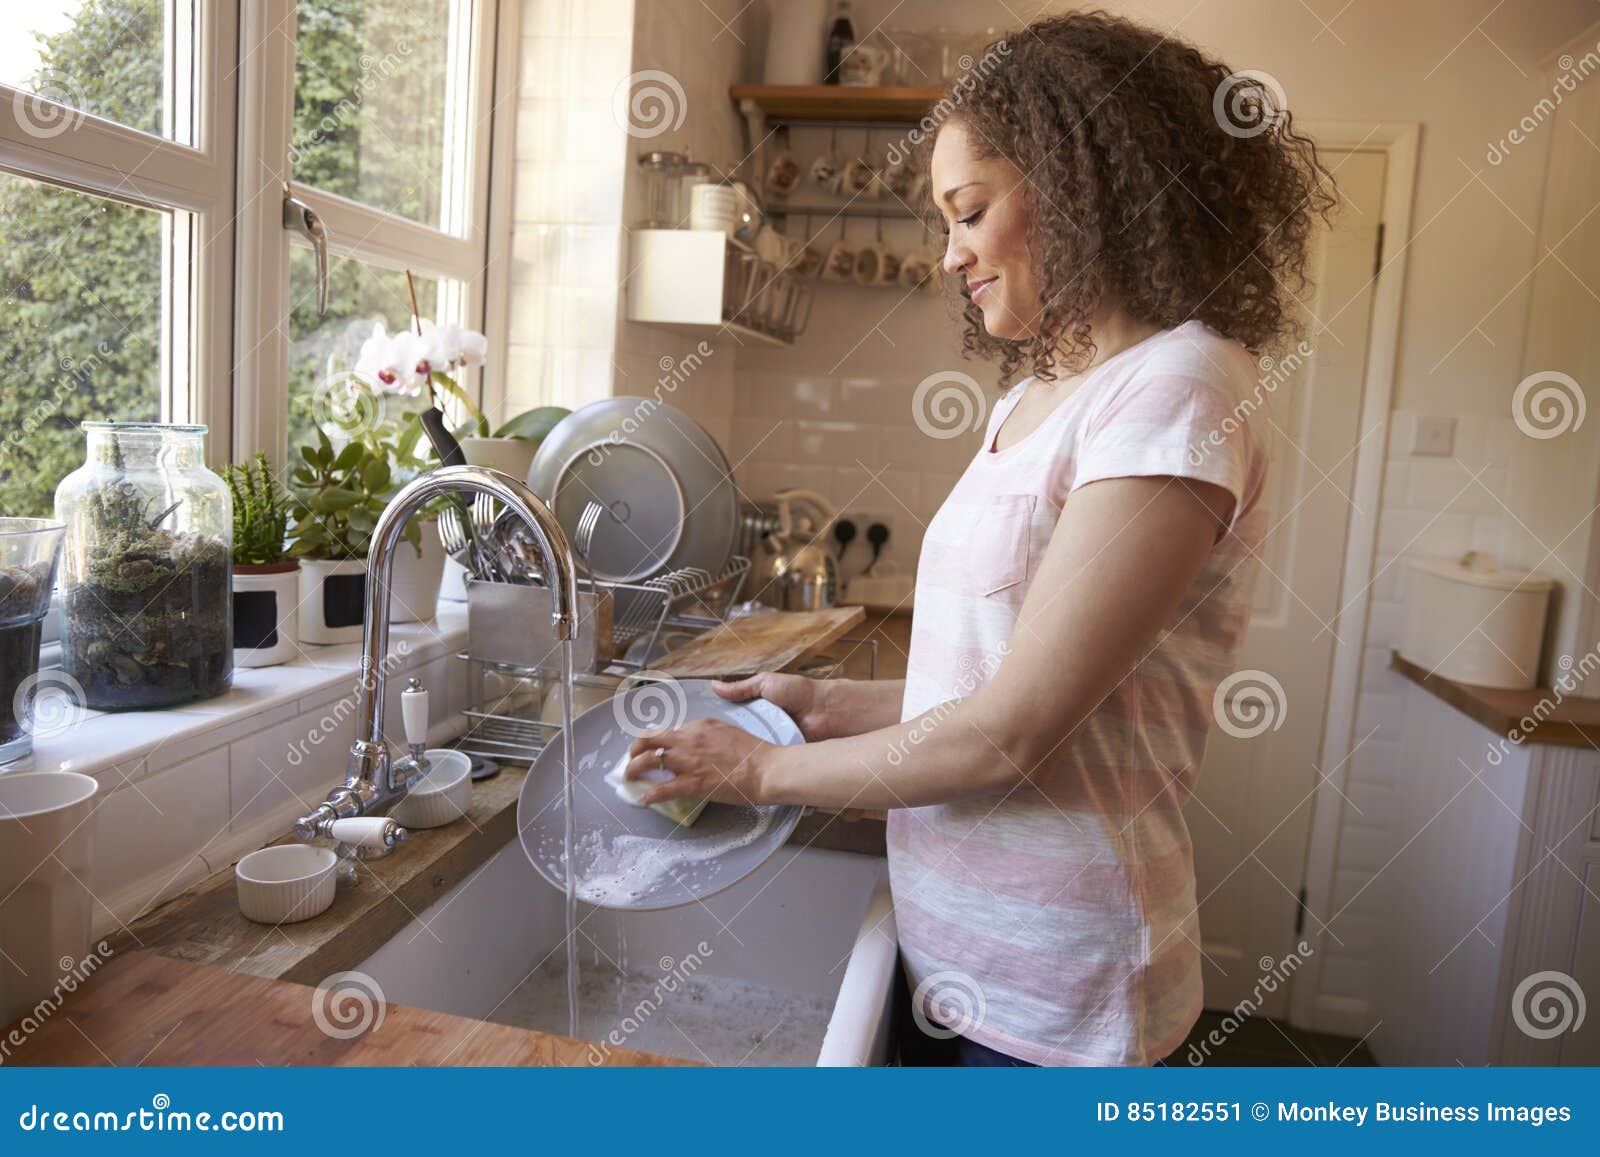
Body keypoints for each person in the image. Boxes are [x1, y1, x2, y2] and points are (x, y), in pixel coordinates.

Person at [625, 10, 1333, 1066]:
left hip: (1064, 995)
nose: (950, 251)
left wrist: (759, 773)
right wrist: (827, 706)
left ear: (1078, 185)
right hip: (950, 956)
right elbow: (990, 680)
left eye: (969, 210)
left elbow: (1011, 732)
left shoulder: (1177, 387)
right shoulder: (1035, 395)